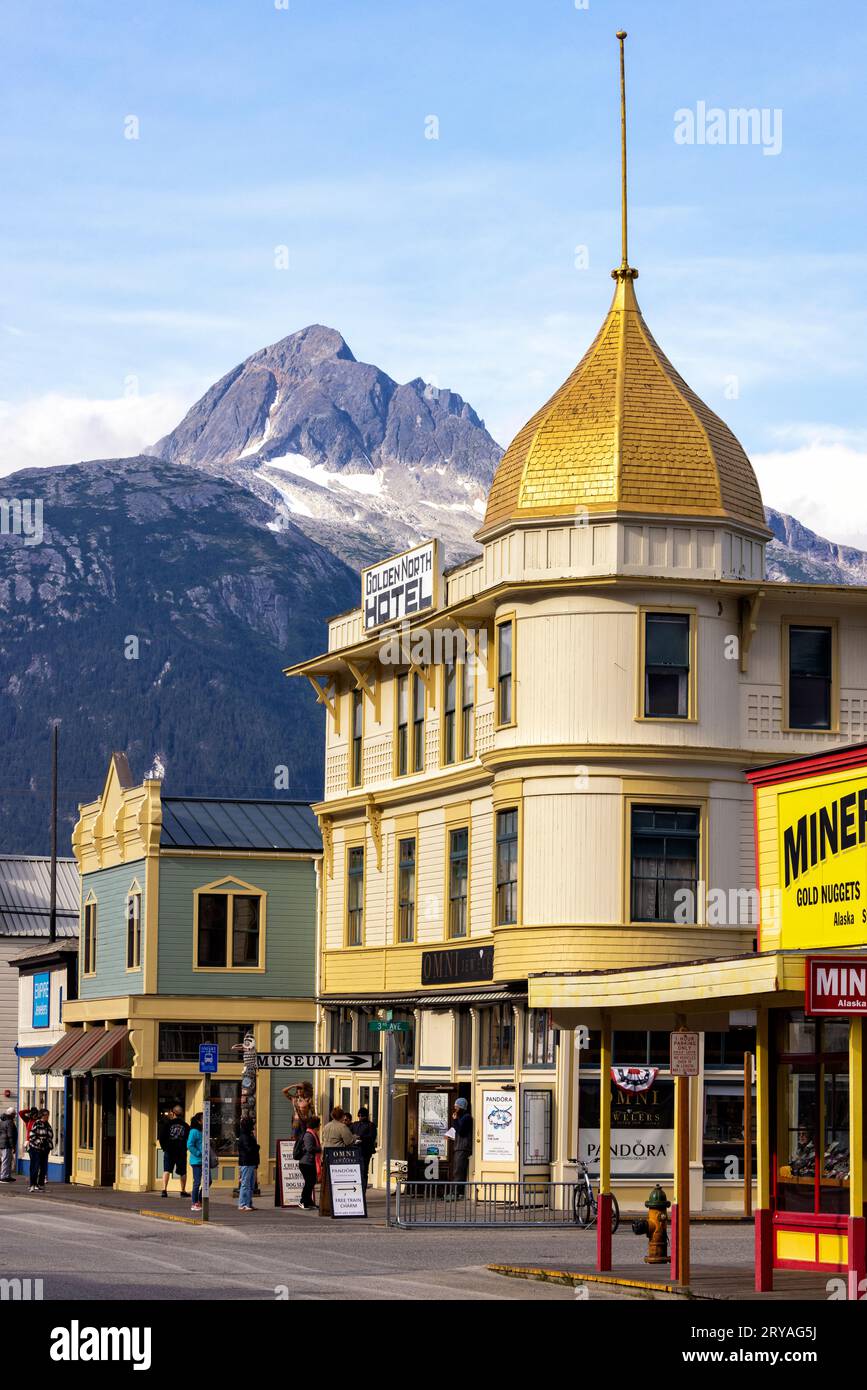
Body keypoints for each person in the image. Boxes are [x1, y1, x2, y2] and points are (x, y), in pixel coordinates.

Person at [159, 1104, 189, 1198]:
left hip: (169, 1150)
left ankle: (164, 1190)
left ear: (173, 1113)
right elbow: (189, 1138)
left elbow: (161, 1137)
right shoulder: (186, 1125)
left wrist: (165, 1148)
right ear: (182, 1113)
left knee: (166, 1170)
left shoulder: (167, 1124)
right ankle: (183, 1191)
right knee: (183, 1172)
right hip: (181, 1151)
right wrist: (185, 1147)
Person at [350, 1105, 378, 1190]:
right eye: (359, 1115)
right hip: (355, 1150)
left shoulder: (371, 1125)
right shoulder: (355, 1124)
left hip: (365, 1151)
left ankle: (363, 1188)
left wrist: (361, 1138)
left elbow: (372, 1137)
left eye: (362, 1116)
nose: (360, 1117)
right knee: (355, 1170)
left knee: (364, 1170)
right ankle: (356, 1186)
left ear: (366, 1116)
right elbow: (349, 1133)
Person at [27, 1109, 54, 1191]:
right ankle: (33, 1184)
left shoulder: (47, 1124)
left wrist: (47, 1143)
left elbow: (51, 1134)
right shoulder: (37, 1123)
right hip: (35, 1148)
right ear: (42, 1115)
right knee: (35, 1167)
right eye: (46, 1115)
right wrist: (40, 1142)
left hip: (45, 1149)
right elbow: (31, 1135)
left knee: (43, 1167)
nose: (47, 1117)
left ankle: (40, 1184)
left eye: (48, 1115)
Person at [298, 1115, 321, 1210]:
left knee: (311, 1183)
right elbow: (309, 1148)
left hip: (310, 1162)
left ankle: (309, 1202)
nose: (320, 1126)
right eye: (319, 1124)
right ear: (316, 1126)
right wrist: (320, 1148)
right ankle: (303, 1201)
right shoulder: (308, 1135)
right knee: (309, 1182)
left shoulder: (313, 1134)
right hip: (305, 1163)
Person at [238, 1115, 260, 1212]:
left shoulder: (249, 1135)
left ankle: (248, 1203)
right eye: (252, 1124)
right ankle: (243, 1204)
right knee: (245, 1184)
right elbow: (249, 1149)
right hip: (246, 1162)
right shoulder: (245, 1136)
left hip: (250, 1162)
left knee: (250, 1185)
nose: (254, 1126)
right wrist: (257, 1147)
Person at [450, 1097, 473, 1188]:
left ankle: (456, 1192)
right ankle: (456, 1191)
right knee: (456, 1170)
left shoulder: (466, 1118)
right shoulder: (461, 1117)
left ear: (461, 1107)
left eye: (456, 1107)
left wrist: (455, 1120)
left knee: (458, 1171)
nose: (455, 1109)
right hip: (459, 1147)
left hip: (463, 1147)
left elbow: (462, 1132)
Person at [187, 1113, 204, 1212]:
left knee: (208, 1181)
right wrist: (198, 1153)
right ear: (198, 1121)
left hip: (204, 1161)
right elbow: (189, 1144)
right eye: (203, 1118)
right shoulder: (193, 1131)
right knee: (197, 1182)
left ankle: (200, 1199)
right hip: (196, 1161)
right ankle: (194, 1202)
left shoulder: (203, 1131)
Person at [0, 1107, 18, 1182]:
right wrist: (13, 1146)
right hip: (6, 1144)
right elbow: (10, 1135)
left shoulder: (2, 1122)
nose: (15, 1116)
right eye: (14, 1114)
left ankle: (7, 1175)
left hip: (2, 1143)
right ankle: (4, 1176)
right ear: (11, 1114)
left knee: (7, 1160)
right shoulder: (9, 1122)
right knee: (6, 1160)